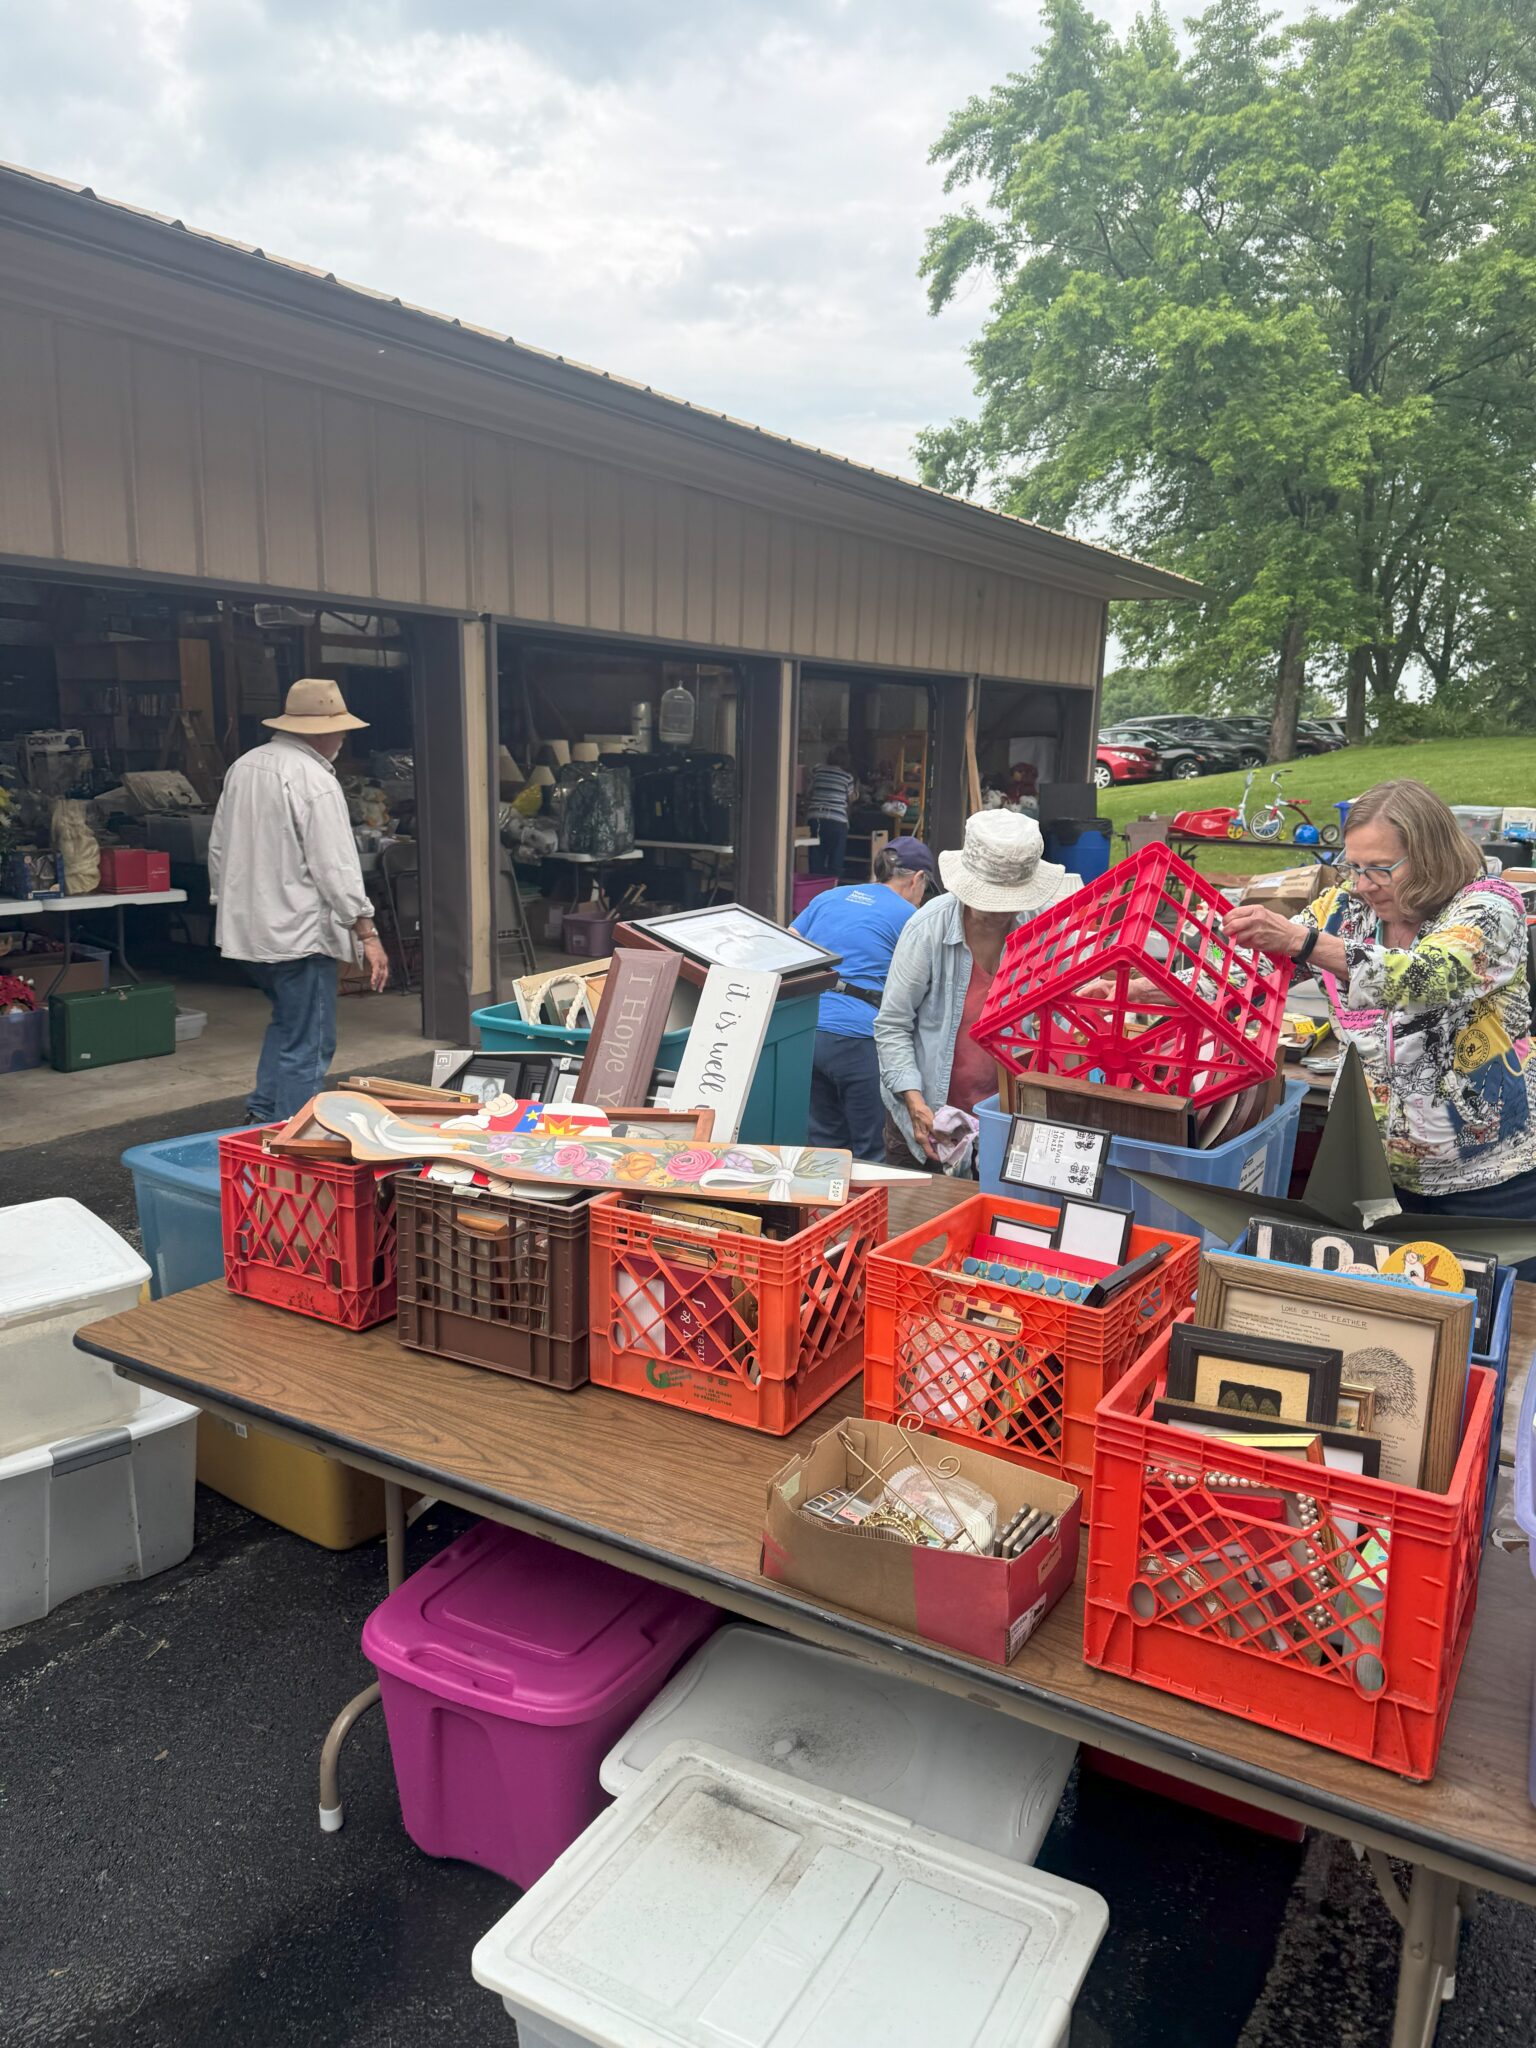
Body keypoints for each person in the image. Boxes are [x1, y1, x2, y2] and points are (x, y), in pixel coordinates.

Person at [1224, 779, 1536, 1242]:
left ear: (1432, 856)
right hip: (1370, 1174)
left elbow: (1429, 977)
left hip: (1488, 1180)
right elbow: (1253, 976)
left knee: (1497, 1309)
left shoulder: (1489, 908)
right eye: (1353, 867)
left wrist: (1302, 941)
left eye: (1380, 868)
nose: (1363, 883)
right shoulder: (1345, 909)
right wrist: (1155, 983)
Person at [208, 678, 390, 1123]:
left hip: (249, 928)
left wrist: (224, 902)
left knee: (290, 1025)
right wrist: (366, 930)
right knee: (309, 1041)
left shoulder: (245, 766)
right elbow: (335, 866)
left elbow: (218, 846)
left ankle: (263, 1115)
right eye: (342, 730)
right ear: (320, 731)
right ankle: (292, 1139)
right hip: (298, 931)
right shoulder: (313, 779)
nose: (344, 740)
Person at [875, 811, 1079, 1164]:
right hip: (928, 1114)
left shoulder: (1045, 928)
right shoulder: (927, 929)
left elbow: (1074, 995)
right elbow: (893, 1024)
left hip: (1008, 1116)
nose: (1002, 912)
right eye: (992, 901)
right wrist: (915, 1102)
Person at [791, 837, 938, 1159]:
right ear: (917, 879)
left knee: (826, 1148)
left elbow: (790, 941)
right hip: (859, 1039)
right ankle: (865, 1209)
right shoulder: (911, 917)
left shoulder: (828, 897)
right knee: (869, 1149)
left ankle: (830, 1209)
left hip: (807, 1030)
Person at [806, 746, 857, 877]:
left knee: (816, 856)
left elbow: (809, 792)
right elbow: (851, 798)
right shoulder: (847, 777)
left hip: (816, 818)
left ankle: (816, 888)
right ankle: (833, 888)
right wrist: (857, 793)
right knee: (836, 858)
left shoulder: (817, 770)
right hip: (837, 821)